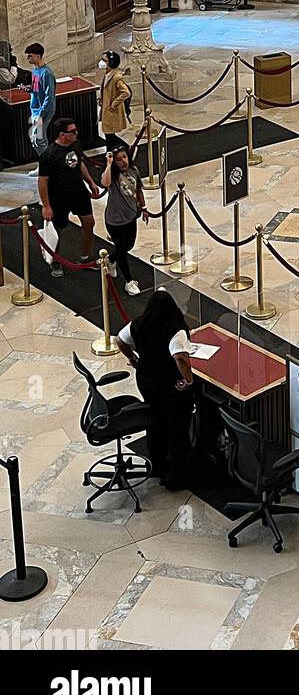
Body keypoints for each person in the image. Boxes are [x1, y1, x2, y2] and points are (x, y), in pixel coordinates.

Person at [117, 290, 194, 491]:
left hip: (147, 381)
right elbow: (181, 358)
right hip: (169, 386)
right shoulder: (176, 330)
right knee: (176, 428)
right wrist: (188, 380)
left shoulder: (139, 324)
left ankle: (157, 465)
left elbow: (120, 340)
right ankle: (176, 477)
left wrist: (133, 358)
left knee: (154, 422)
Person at [38, 116, 101, 276]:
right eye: (72, 132)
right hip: (58, 197)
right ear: (62, 135)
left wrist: (91, 182)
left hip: (78, 192)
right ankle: (55, 260)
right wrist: (46, 205)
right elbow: (43, 181)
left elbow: (79, 164)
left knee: (89, 223)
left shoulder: (75, 145)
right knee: (57, 229)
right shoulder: (49, 155)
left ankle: (85, 258)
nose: (76, 133)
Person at [101, 146, 148, 297]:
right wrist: (108, 165)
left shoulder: (134, 171)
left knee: (129, 245)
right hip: (115, 220)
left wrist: (144, 208)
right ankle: (128, 281)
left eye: (124, 157)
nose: (122, 161)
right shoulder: (113, 177)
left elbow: (139, 190)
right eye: (118, 159)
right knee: (121, 249)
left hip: (131, 215)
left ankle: (111, 259)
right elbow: (105, 182)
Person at [26, 42, 57, 172]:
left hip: (42, 111)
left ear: (38, 56)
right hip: (35, 109)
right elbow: (36, 89)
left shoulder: (47, 73)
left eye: (30, 56)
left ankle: (49, 166)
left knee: (38, 140)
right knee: (36, 139)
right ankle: (45, 165)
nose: (28, 59)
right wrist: (28, 89)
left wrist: (41, 113)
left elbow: (49, 96)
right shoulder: (35, 71)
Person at [98, 50, 131, 150]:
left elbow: (126, 93)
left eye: (104, 60)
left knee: (109, 135)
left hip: (111, 111)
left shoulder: (116, 77)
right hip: (106, 108)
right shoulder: (107, 74)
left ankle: (127, 148)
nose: (102, 62)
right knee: (109, 135)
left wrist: (114, 104)